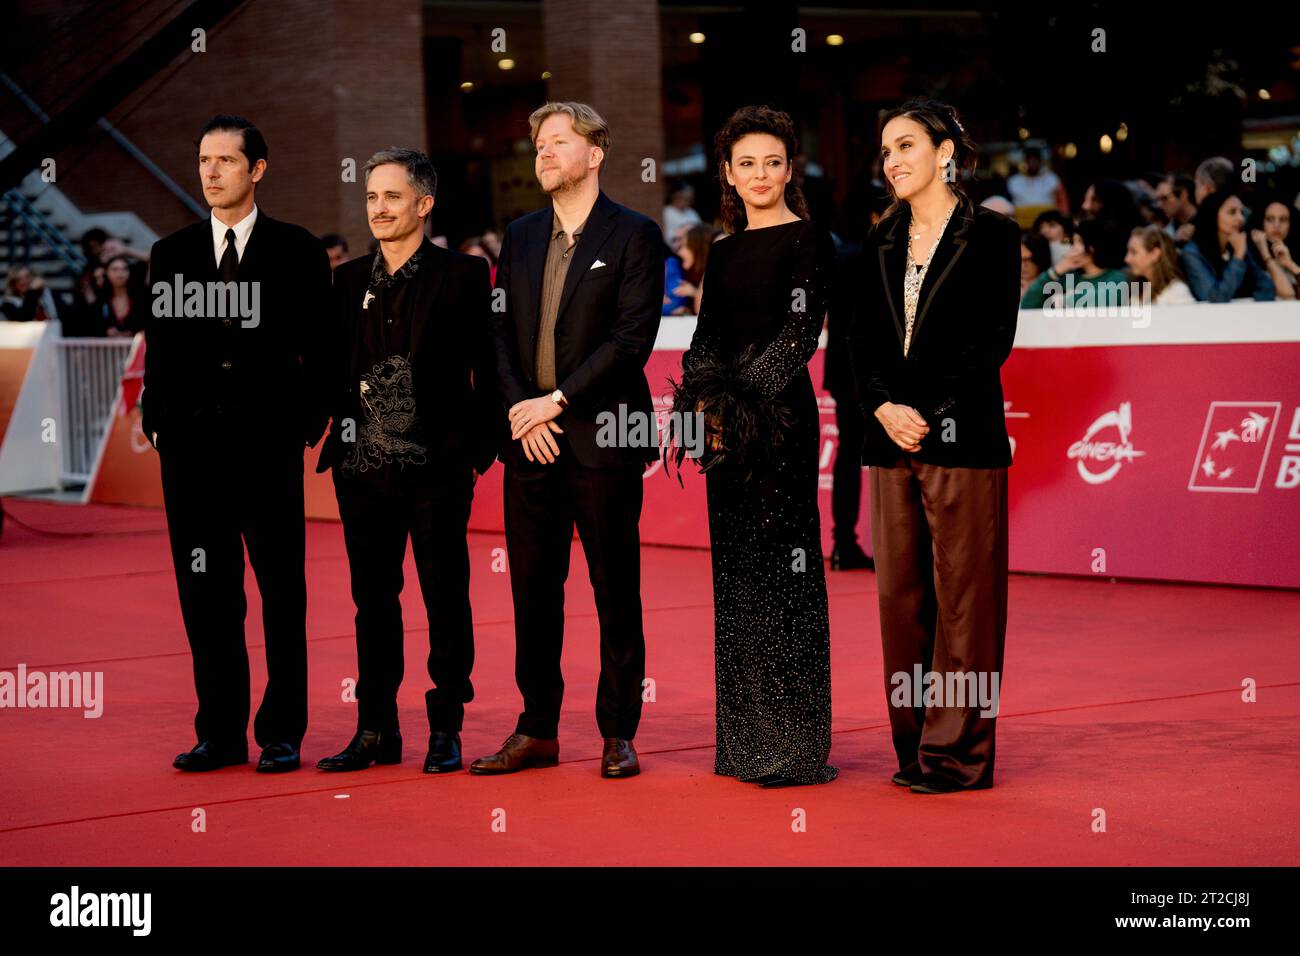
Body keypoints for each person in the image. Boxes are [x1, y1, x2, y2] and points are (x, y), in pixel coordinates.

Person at [477, 101, 663, 778]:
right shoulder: (520, 234)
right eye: (538, 145)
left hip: (603, 437)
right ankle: (538, 730)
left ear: (596, 152)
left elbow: (631, 340)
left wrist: (553, 402)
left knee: (615, 587)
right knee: (533, 590)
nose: (543, 154)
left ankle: (617, 731)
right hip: (530, 444)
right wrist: (522, 412)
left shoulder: (635, 235)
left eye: (558, 142)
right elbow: (497, 333)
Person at [143, 115, 330, 773]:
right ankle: (219, 733)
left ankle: (282, 732)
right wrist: (157, 420)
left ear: (257, 169)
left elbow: (321, 350)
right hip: (191, 456)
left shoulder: (297, 249)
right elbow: (161, 350)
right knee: (207, 595)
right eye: (203, 160)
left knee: (282, 593)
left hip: (266, 451)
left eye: (226, 159)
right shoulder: (171, 254)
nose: (212, 171)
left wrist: (301, 424)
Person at [848, 98, 1020, 794]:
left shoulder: (994, 237)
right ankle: (917, 746)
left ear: (946, 150)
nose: (892, 160)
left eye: (907, 144)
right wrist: (886, 407)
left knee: (966, 605)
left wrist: (927, 410)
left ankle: (959, 755)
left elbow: (990, 342)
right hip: (890, 443)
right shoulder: (877, 243)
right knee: (903, 601)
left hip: (963, 440)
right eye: (886, 149)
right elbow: (860, 343)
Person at [666, 104, 839, 788]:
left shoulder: (810, 239)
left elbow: (799, 338)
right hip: (725, 434)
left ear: (789, 169)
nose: (760, 174)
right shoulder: (723, 248)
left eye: (773, 161)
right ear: (729, 176)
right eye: (747, 164)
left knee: (786, 576)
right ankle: (744, 742)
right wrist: (705, 409)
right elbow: (705, 337)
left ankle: (796, 746)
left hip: (780, 426)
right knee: (736, 576)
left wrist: (737, 407)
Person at [314, 148, 499, 775]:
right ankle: (375, 729)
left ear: (424, 204)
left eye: (392, 197)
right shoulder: (345, 282)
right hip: (362, 470)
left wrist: (477, 453)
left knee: (445, 597)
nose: (379, 209)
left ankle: (445, 726)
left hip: (440, 467)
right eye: (371, 198)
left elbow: (489, 370)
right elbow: (329, 372)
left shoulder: (466, 276)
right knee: (373, 601)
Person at [1181, 191, 1275, 302]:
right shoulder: (1192, 253)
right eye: (1232, 212)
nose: (1241, 219)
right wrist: (1238, 256)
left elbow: (1267, 290)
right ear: (1213, 214)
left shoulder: (1237, 245)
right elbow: (1214, 298)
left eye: (1242, 212)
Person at [1020, 218, 1129, 309]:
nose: (1073, 248)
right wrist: (1054, 272)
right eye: (1073, 242)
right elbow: (1028, 305)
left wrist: (1063, 300)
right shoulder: (1068, 278)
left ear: (1094, 246)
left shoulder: (1116, 277)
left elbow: (1105, 297)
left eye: (1080, 242)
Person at [1125, 225, 1195, 304]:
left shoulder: (1176, 291)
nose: (1127, 259)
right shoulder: (1138, 289)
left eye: (1134, 252)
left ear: (1155, 254)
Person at [1247, 198, 1298, 300]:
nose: (1277, 225)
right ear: (1261, 222)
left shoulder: (1294, 250)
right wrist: (1265, 254)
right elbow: (1287, 294)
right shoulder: (1249, 254)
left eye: (1283, 219)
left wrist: (1290, 265)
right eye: (1270, 219)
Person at [1155, 174, 1197, 244]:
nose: (1159, 205)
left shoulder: (1210, 222)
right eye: (1158, 199)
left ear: (1183, 195)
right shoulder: (1166, 235)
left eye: (1164, 198)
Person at [662, 182, 702, 246]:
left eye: (689, 199)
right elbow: (666, 236)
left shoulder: (692, 213)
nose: (688, 201)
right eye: (685, 198)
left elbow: (701, 231)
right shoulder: (666, 212)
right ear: (676, 196)